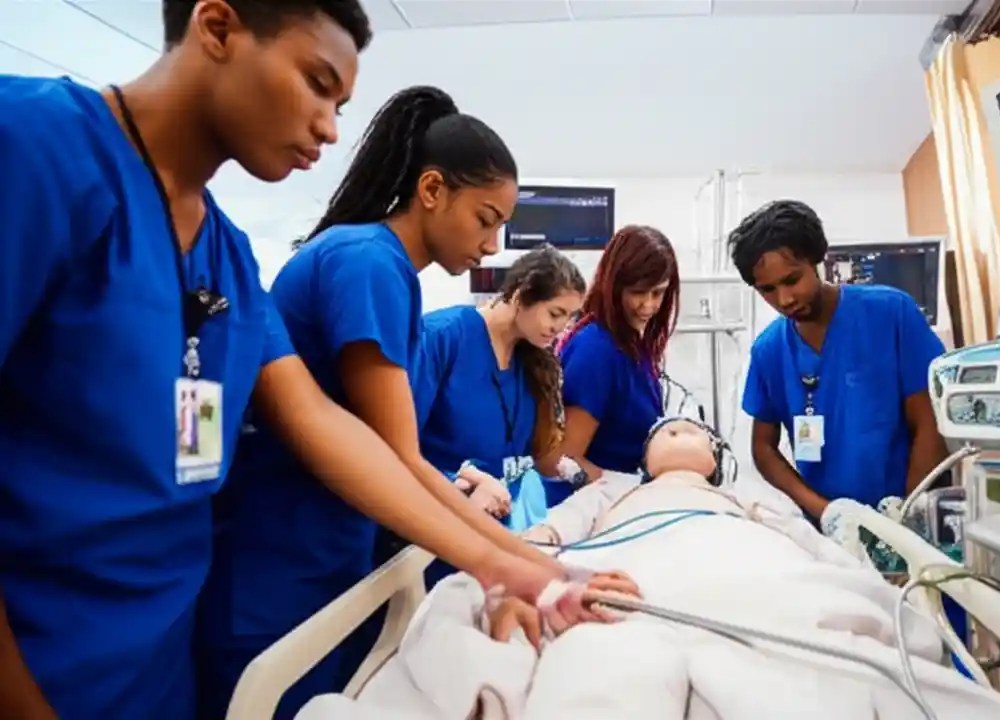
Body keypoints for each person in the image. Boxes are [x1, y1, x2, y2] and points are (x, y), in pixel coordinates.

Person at [0, 3, 611, 718]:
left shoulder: (224, 258)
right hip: (49, 650)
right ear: (218, 27)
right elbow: (397, 449)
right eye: (317, 84)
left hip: (160, 655)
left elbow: (323, 424)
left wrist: (514, 567)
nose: (328, 125)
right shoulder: (35, 149)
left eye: (341, 103)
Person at [195, 87, 624, 719]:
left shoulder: (383, 273)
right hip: (282, 564)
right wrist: (521, 568)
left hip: (333, 555)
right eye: (484, 218)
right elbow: (401, 460)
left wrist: (528, 563)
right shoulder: (366, 264)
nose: (492, 243)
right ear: (431, 191)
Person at [293, 417, 1000, 720]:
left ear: (716, 458)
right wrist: (535, 555)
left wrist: (850, 569)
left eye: (693, 432)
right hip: (615, 570)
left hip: (746, 565)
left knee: (816, 633)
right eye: (667, 430)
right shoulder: (613, 489)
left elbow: (816, 552)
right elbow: (551, 536)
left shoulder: (743, 498)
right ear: (645, 455)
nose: (680, 435)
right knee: (591, 639)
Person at [730, 200, 949, 524]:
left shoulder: (891, 314)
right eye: (768, 289)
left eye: (792, 280)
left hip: (907, 509)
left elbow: (929, 422)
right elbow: (764, 449)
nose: (784, 299)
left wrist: (909, 516)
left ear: (817, 257)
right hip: (832, 525)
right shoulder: (769, 351)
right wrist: (825, 511)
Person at [414, 245, 588, 531]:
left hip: (502, 526)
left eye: (569, 317)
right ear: (521, 295)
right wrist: (466, 480)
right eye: (555, 313)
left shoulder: (531, 360)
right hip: (437, 524)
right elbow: (395, 445)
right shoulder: (443, 338)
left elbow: (522, 457)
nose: (561, 327)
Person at [557, 225, 680, 480]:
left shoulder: (633, 345)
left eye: (658, 293)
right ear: (614, 287)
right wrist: (630, 489)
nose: (648, 305)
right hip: (589, 504)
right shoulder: (596, 350)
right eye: (637, 293)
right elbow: (566, 460)